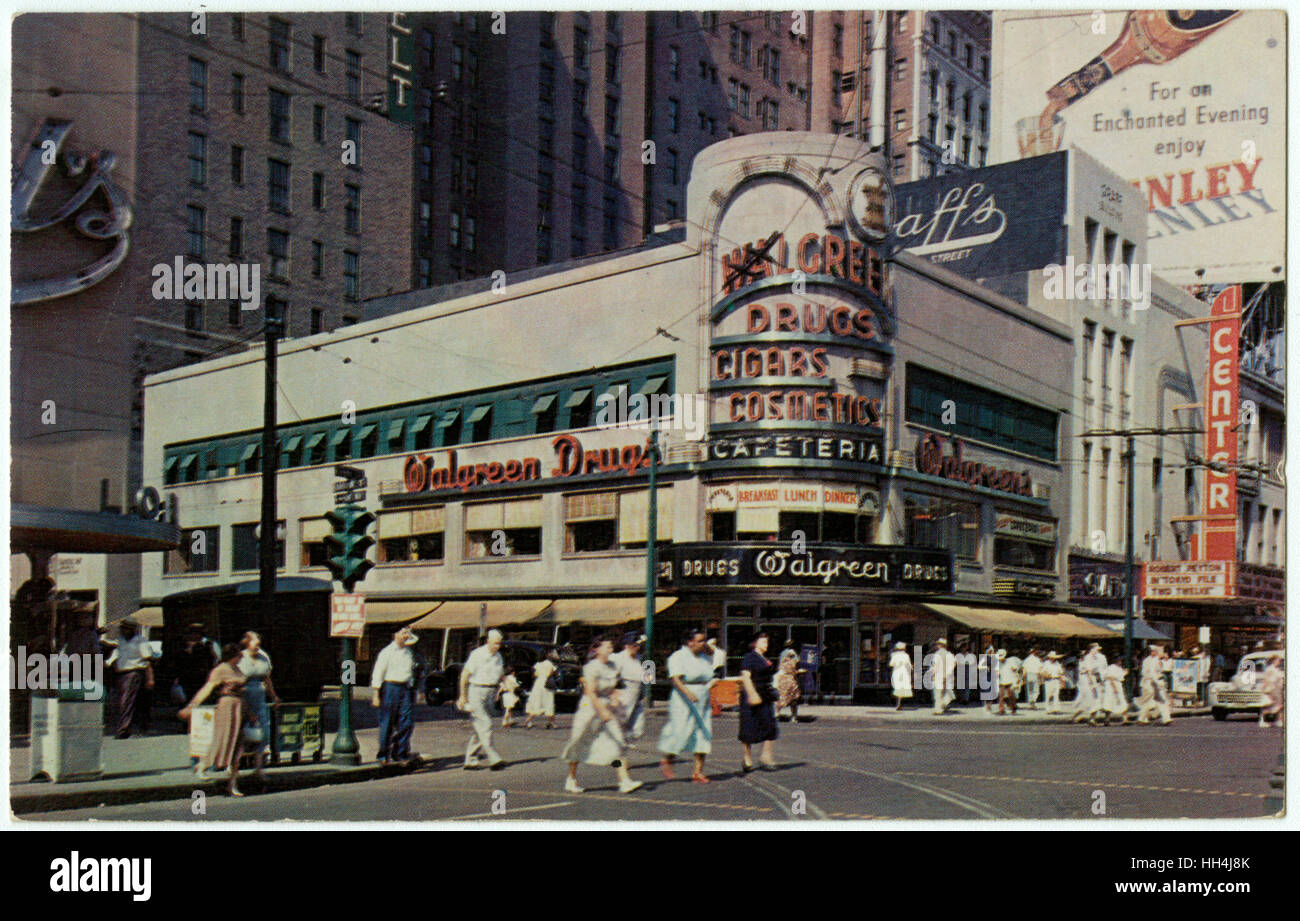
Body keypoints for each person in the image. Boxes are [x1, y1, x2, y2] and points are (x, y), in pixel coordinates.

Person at [562, 637, 642, 794]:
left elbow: (612, 687)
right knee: (579, 743)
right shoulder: (591, 667)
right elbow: (590, 692)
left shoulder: (613, 666)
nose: (610, 650)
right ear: (597, 650)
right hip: (589, 708)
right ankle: (571, 779)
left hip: (606, 708)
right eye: (606, 647)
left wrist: (614, 697)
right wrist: (602, 710)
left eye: (611, 647)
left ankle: (624, 780)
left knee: (618, 743)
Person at [179, 643, 251, 796]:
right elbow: (207, 688)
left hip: (239, 706)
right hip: (227, 706)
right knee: (223, 739)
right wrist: (192, 706)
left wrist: (250, 712)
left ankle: (233, 784)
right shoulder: (220, 670)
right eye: (239, 655)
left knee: (238, 744)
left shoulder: (237, 669)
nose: (242, 657)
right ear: (233, 656)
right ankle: (204, 765)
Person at [658, 629, 715, 783]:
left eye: (704, 640)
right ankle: (668, 759)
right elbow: (676, 679)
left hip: (702, 696)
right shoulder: (678, 657)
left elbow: (711, 667)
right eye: (700, 640)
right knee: (681, 731)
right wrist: (688, 693)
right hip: (683, 697)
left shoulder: (704, 657)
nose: (704, 643)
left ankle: (698, 772)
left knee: (703, 733)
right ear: (690, 642)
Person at [458, 629, 507, 770]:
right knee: (485, 724)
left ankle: (470, 760)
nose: (497, 646)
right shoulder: (477, 654)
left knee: (480, 728)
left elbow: (501, 673)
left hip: (490, 692)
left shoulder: (498, 657)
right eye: (495, 643)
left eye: (499, 644)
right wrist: (463, 696)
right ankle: (494, 759)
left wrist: (505, 683)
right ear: (488, 642)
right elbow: (465, 675)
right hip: (476, 691)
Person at [371, 626, 417, 764]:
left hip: (405, 689)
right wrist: (375, 694)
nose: (406, 636)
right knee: (387, 722)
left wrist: (414, 688)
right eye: (403, 633)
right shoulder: (387, 652)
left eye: (407, 634)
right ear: (395, 635)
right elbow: (378, 673)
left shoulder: (409, 652)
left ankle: (400, 752)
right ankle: (383, 753)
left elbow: (411, 672)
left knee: (407, 722)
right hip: (390, 688)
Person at [238, 631, 279, 778]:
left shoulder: (263, 657)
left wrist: (274, 696)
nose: (258, 647)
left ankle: (258, 768)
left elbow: (267, 679)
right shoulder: (240, 658)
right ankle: (234, 767)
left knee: (263, 733)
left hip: (260, 697)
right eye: (255, 644)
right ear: (247, 643)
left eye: (259, 645)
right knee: (242, 733)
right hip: (244, 697)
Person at [108, 620, 155, 739]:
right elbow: (115, 657)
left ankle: (123, 729)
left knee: (126, 700)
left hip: (134, 672)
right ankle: (128, 726)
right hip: (120, 674)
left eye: (127, 629)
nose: (124, 631)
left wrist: (150, 678)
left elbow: (147, 660)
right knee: (122, 701)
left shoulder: (140, 641)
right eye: (123, 628)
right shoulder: (121, 641)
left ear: (133, 629)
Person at [738, 632, 778, 772]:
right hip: (752, 693)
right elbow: (746, 677)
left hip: (765, 695)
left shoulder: (765, 659)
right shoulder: (750, 657)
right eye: (762, 642)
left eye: (766, 642)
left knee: (770, 726)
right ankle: (747, 756)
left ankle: (766, 756)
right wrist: (752, 694)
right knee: (749, 725)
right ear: (754, 643)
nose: (765, 645)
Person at [609, 632, 647, 745]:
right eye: (634, 645)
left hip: (637, 693)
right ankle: (616, 747)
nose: (637, 648)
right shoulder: (618, 658)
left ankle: (623, 741)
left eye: (639, 645)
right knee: (619, 723)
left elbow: (648, 679)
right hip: (623, 691)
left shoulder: (641, 658)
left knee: (639, 727)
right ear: (626, 645)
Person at [1135, 645, 1173, 726]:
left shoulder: (1157, 660)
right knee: (1146, 701)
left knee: (1161, 701)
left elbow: (1160, 671)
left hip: (1157, 683)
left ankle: (1166, 718)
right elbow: (1144, 672)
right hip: (1148, 683)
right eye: (1152, 651)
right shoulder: (1147, 661)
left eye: (1155, 651)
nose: (1154, 652)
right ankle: (1142, 718)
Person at [523, 650, 558, 729]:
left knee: (537, 702)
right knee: (549, 702)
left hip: (538, 683)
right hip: (547, 683)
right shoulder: (549, 663)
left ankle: (529, 719)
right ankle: (553, 722)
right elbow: (550, 673)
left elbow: (535, 674)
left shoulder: (537, 664)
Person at [1072, 643, 1107, 725]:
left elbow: (1101, 669)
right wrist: (1093, 683)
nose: (1098, 651)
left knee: (1095, 700)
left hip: (1096, 679)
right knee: (1089, 700)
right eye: (1096, 649)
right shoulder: (1088, 658)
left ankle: (1092, 719)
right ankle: (1080, 717)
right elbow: (1089, 672)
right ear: (1091, 649)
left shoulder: (1099, 657)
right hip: (1087, 681)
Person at [1098, 661, 1130, 726]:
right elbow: (1111, 678)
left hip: (1113, 686)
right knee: (1117, 702)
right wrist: (1115, 688)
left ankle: (1123, 719)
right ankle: (1109, 719)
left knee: (1112, 703)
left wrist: (1125, 673)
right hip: (1113, 686)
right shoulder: (1113, 668)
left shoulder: (1116, 668)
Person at [930, 638, 957, 714]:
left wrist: (933, 674)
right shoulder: (949, 654)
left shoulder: (937, 654)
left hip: (939, 675)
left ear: (941, 645)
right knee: (947, 692)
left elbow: (935, 665)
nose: (937, 645)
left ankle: (939, 709)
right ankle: (943, 704)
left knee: (938, 693)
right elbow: (954, 664)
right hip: (948, 676)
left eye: (938, 644)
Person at [775, 647, 803, 721]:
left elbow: (779, 669)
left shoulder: (782, 660)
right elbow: (795, 671)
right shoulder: (792, 662)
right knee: (793, 699)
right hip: (790, 681)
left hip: (782, 681)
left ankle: (777, 713)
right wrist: (799, 672)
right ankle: (793, 716)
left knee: (780, 697)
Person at [1259, 655, 1284, 728]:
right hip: (1271, 689)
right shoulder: (1269, 669)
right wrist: (1266, 690)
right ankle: (1263, 721)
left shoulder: (1277, 669)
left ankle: (1278, 720)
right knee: (1268, 706)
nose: (1279, 662)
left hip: (1278, 689)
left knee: (1279, 706)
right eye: (1278, 660)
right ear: (1274, 660)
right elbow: (1266, 680)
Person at [889, 641, 913, 710]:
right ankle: (899, 702)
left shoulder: (894, 655)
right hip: (904, 672)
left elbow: (891, 664)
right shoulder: (906, 655)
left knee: (897, 687)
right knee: (901, 687)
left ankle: (897, 702)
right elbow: (909, 665)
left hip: (897, 672)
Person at [706, 636, 727, 715]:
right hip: (717, 673)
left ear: (713, 645)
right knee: (712, 692)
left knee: (709, 690)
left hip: (716, 673)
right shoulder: (720, 652)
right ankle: (717, 707)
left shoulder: (718, 653)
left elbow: (716, 665)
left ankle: (716, 708)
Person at [996, 649, 1018, 715]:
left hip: (1010, 681)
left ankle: (1013, 708)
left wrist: (1014, 669)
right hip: (1002, 681)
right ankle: (1001, 709)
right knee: (1001, 696)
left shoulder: (1010, 662)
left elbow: (1016, 669)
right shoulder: (998, 663)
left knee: (1011, 696)